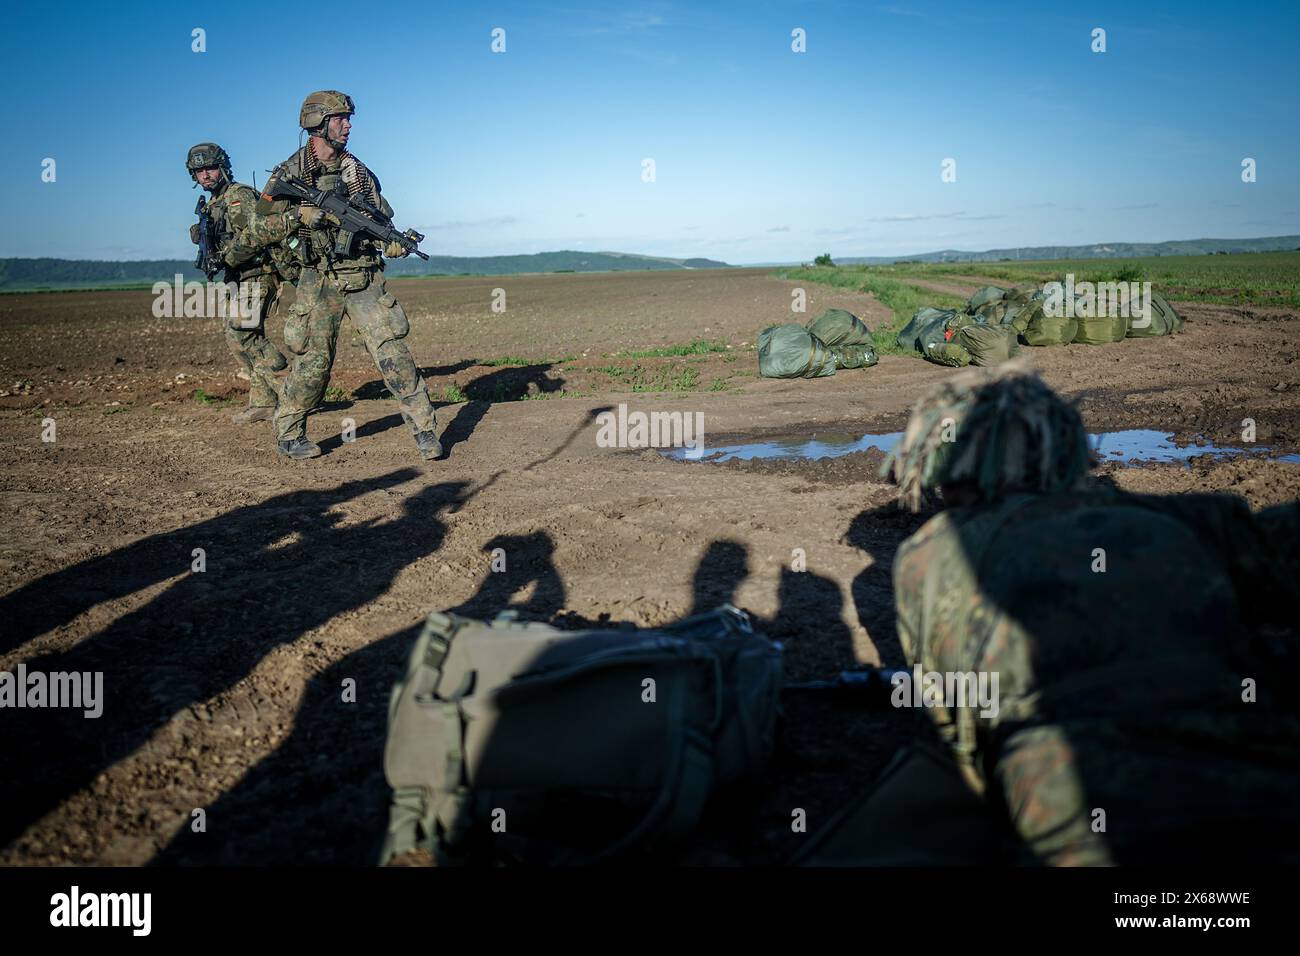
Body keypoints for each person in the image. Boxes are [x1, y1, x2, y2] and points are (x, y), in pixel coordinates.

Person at [874, 362, 1300, 865]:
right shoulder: (1182, 519)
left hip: (1066, 805)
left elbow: (958, 732)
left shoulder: (930, 555)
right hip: (1266, 773)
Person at [259, 91, 441, 461]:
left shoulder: (358, 173)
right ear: (318, 123)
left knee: (393, 351)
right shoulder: (288, 174)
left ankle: (425, 431)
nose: (348, 125)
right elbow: (257, 227)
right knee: (313, 361)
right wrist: (298, 218)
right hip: (317, 279)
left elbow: (381, 222)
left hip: (361, 276)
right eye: (341, 118)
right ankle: (289, 434)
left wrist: (390, 244)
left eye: (348, 118)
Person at [186, 142, 298, 424]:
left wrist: (228, 257)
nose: (206, 175)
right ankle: (263, 402)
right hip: (239, 277)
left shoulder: (239, 197)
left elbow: (259, 234)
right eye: (199, 171)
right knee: (239, 337)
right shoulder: (214, 203)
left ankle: (291, 391)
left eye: (210, 168)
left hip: (257, 273)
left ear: (223, 167)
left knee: (242, 332)